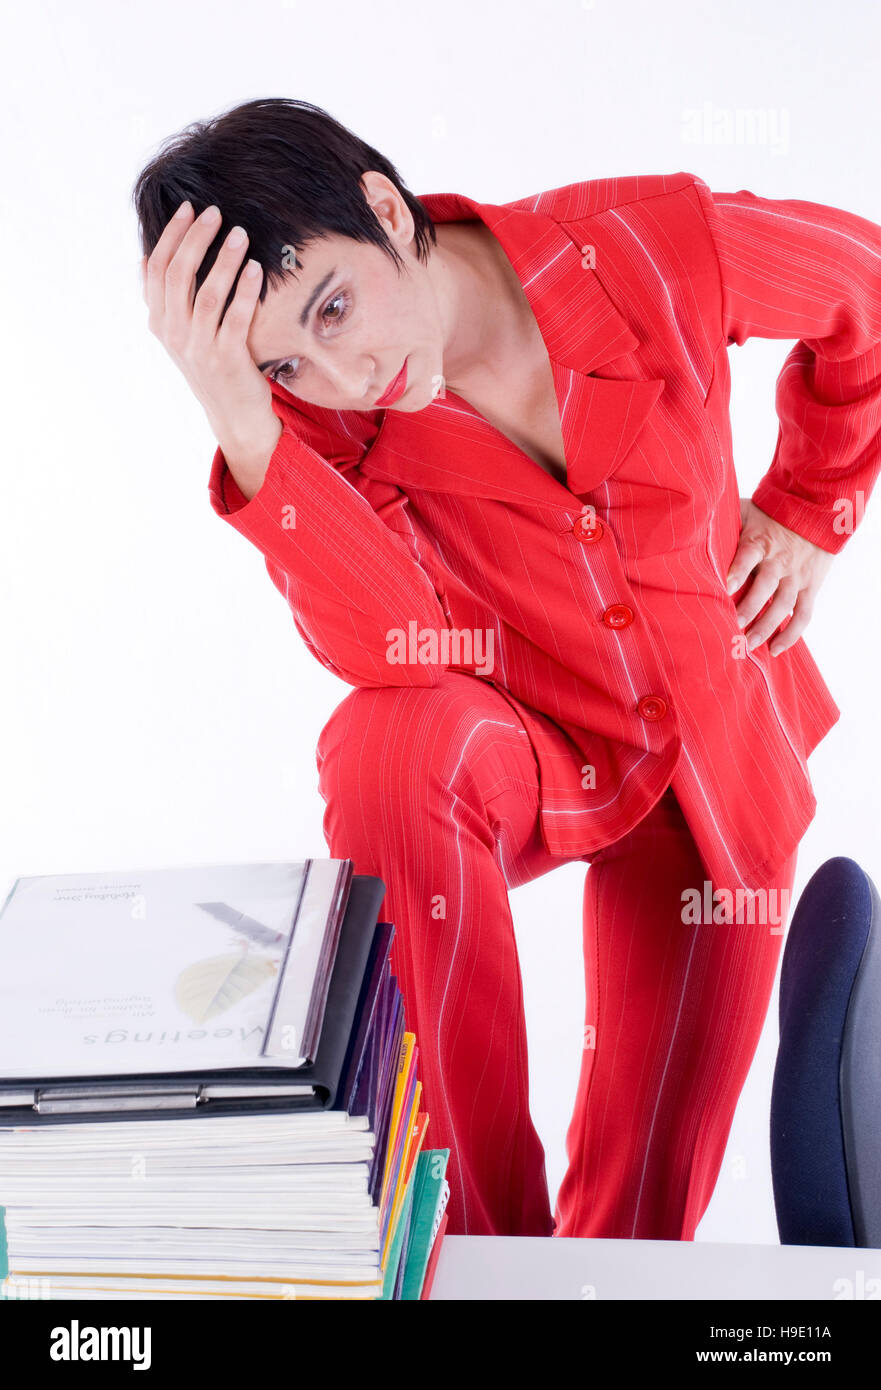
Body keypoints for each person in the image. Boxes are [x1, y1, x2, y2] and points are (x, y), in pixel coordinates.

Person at [134, 97, 881, 1239]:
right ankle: (477, 1251)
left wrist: (808, 507)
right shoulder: (319, 423)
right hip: (535, 756)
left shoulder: (648, 246)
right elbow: (386, 651)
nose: (342, 371)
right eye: (287, 357)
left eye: (333, 306)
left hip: (714, 772)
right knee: (384, 745)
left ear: (384, 208)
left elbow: (861, 282)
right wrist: (246, 419)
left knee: (638, 1218)